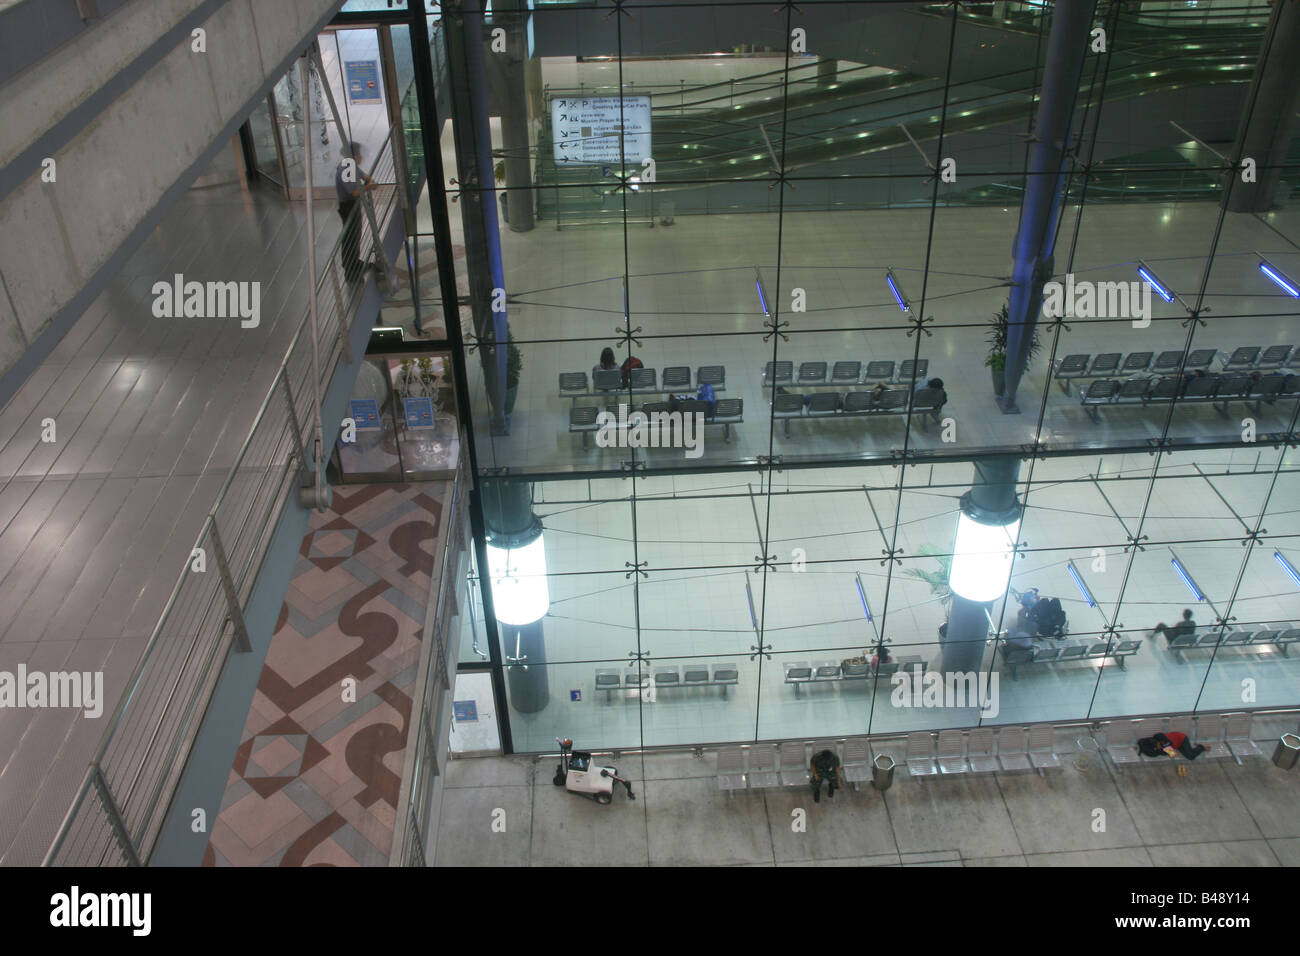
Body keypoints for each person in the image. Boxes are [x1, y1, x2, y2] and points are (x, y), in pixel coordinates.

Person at [335, 141, 377, 281]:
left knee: (356, 235)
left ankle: (355, 262)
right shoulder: (345, 169)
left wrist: (369, 181)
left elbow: (364, 176)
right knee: (350, 237)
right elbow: (353, 192)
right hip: (348, 207)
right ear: (354, 155)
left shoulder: (351, 166)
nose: (361, 157)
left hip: (353, 205)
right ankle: (350, 269)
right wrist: (368, 187)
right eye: (359, 154)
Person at [1137, 730, 1208, 760]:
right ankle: (1199, 747)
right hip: (1178, 745)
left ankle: (1201, 747)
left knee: (1191, 756)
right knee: (1190, 756)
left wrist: (1162, 747)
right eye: (1156, 748)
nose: (1157, 747)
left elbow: (1170, 742)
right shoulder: (1160, 750)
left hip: (1182, 739)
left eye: (1157, 745)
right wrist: (1162, 749)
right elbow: (1172, 754)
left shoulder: (1158, 736)